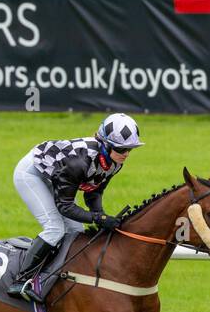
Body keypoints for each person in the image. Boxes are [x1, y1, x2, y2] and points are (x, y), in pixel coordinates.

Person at [9, 113, 144, 302]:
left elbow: (93, 193)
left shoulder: (115, 163)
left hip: (54, 174)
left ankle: (55, 277)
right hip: (32, 174)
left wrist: (101, 216)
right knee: (54, 228)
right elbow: (65, 207)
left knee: (76, 232)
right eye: (122, 149)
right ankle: (21, 280)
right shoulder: (79, 162)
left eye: (130, 148)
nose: (126, 154)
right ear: (105, 144)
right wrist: (99, 219)